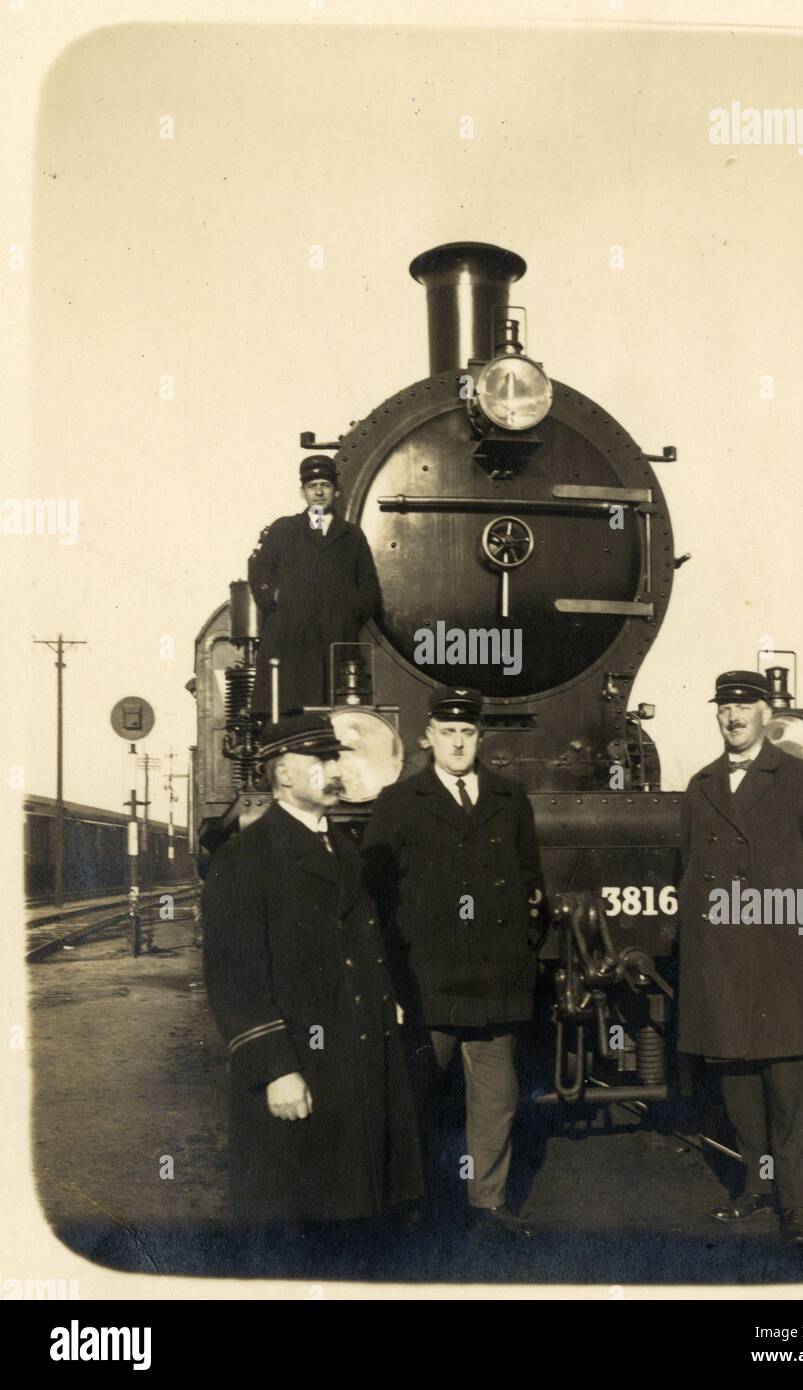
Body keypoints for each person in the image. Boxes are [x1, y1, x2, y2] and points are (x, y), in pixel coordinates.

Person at [201, 711, 423, 1227]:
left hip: (353, 1059)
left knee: (358, 1212)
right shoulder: (245, 858)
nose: (335, 769)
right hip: (301, 1062)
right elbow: (235, 977)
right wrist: (275, 1067)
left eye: (336, 757)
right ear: (282, 774)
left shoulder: (341, 848)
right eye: (320, 760)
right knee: (300, 1224)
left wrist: (383, 995)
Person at [676, 670, 803, 1250]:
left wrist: (797, 909)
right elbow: (688, 863)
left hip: (778, 955)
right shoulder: (702, 784)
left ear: (763, 714)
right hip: (721, 956)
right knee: (738, 1085)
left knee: (786, 1086)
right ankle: (757, 1184)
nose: (733, 717)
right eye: (725, 708)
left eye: (744, 707)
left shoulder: (799, 778)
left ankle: (798, 1205)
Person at [362, 687, 545, 1238]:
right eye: (448, 732)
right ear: (428, 738)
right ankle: (412, 1202)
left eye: (468, 733)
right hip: (425, 979)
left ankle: (487, 1206)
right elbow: (376, 895)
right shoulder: (398, 801)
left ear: (479, 738)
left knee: (496, 1100)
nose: (459, 742)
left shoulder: (511, 797)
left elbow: (532, 880)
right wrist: (390, 977)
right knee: (414, 1094)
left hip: (495, 978)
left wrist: (521, 945)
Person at [248, 455, 381, 715]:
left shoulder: (352, 536)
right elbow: (260, 570)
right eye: (312, 486)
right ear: (302, 492)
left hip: (336, 643)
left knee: (335, 718)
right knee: (287, 717)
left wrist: (347, 614)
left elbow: (369, 589)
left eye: (325, 485)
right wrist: (277, 598)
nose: (319, 492)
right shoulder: (283, 529)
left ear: (336, 490)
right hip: (290, 642)